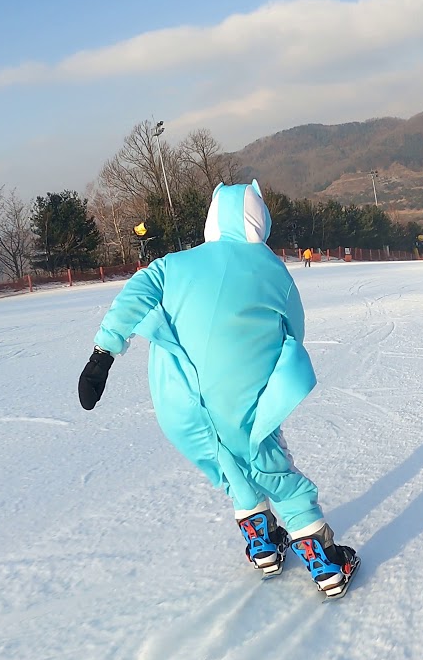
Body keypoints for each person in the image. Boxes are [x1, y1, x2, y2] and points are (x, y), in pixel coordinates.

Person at [77, 181, 359, 599]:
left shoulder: (171, 264)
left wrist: (102, 355)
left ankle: (263, 544)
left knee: (229, 467)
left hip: (179, 403)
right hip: (241, 402)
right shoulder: (273, 271)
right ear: (258, 218)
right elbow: (293, 334)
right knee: (268, 464)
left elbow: (132, 299)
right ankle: (325, 561)